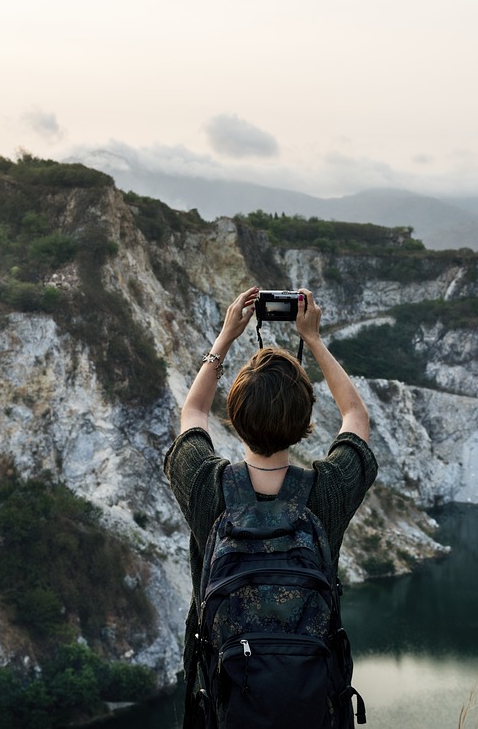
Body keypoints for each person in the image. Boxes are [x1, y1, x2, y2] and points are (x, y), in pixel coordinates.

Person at [163, 285, 377, 728]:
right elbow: (356, 417)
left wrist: (224, 339)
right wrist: (313, 339)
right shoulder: (325, 493)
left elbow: (193, 413)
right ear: (304, 423)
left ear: (235, 418)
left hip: (227, 708)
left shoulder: (209, 488)